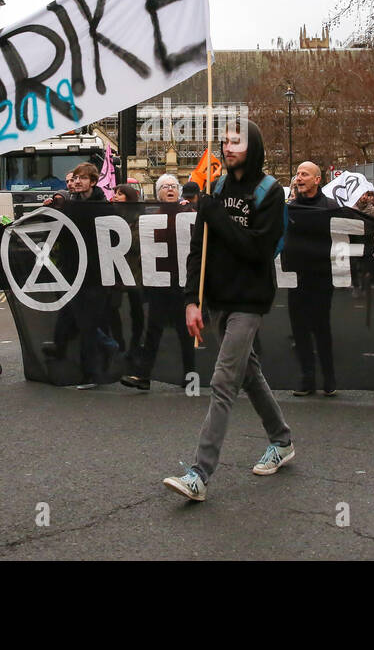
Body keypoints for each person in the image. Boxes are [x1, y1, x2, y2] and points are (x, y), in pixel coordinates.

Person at [163, 119, 292, 502]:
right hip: (218, 297)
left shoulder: (270, 192)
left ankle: (199, 474)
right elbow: (198, 250)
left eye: (237, 140)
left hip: (249, 300)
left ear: (253, 145)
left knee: (223, 381)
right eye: (225, 139)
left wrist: (217, 216)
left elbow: (258, 250)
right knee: (247, 372)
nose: (228, 145)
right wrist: (191, 300)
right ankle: (282, 440)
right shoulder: (214, 188)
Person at [41, 163, 114, 388]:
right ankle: (96, 348)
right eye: (76, 178)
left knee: (88, 324)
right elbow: (60, 233)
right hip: (73, 273)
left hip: (96, 273)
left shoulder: (103, 206)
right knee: (75, 318)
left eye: (83, 178)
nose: (77, 181)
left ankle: (91, 372)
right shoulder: (71, 205)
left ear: (93, 182)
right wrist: (49, 214)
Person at [123, 174, 196, 391]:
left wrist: (191, 211)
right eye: (165, 187)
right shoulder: (151, 217)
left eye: (173, 186)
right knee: (153, 329)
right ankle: (143, 375)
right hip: (160, 282)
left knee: (186, 333)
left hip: (183, 283)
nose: (170, 189)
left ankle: (190, 377)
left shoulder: (188, 214)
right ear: (158, 194)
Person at [283, 161, 341, 397]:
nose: (299, 177)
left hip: (322, 278)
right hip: (295, 278)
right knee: (299, 330)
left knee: (321, 328)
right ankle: (307, 378)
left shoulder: (331, 207)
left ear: (317, 180)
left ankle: (329, 378)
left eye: (304, 174)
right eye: (297, 174)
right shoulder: (290, 208)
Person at [108, 184, 146, 356]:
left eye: (120, 194)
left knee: (136, 309)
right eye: (115, 193)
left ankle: (136, 344)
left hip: (134, 272)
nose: (116, 196)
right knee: (112, 307)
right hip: (114, 270)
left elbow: (138, 243)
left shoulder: (138, 217)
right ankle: (118, 343)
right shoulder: (111, 214)